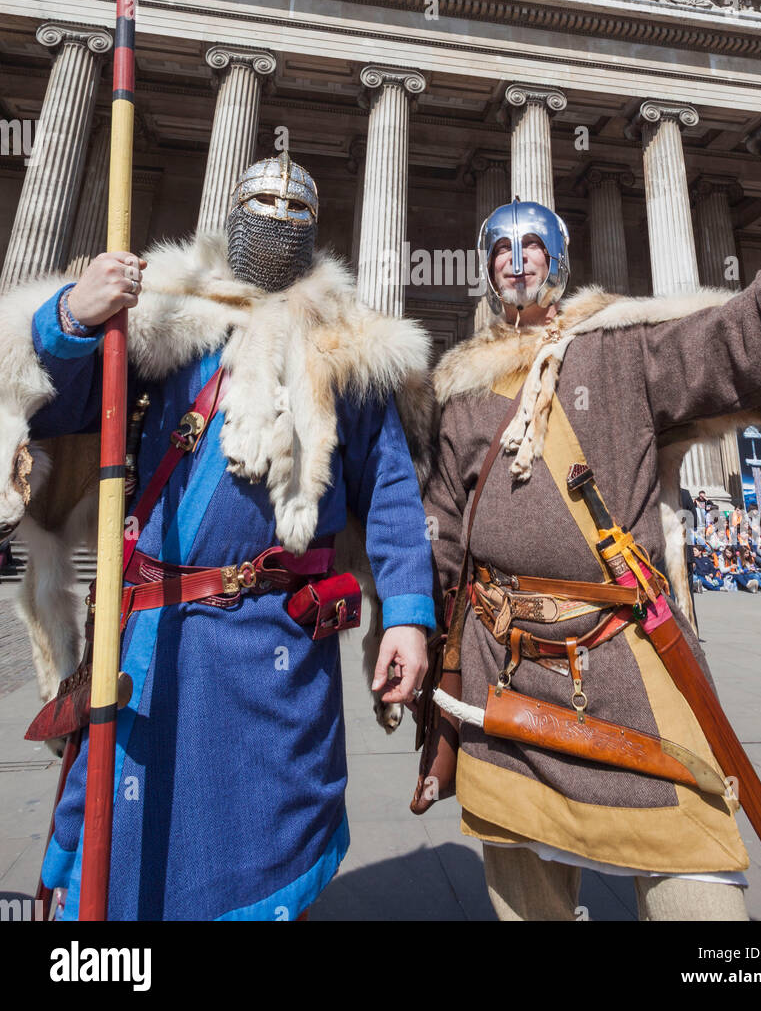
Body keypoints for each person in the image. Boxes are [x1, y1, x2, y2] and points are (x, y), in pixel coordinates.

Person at [420, 152, 761, 922]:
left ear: (557, 261)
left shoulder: (620, 349)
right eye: (500, 247)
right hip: (504, 675)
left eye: (533, 245)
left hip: (622, 662)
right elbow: (443, 541)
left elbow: (733, 339)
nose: (516, 258)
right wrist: (420, 659)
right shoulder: (458, 395)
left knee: (698, 889)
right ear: (487, 272)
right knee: (526, 903)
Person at [0, 152, 435, 921]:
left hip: (278, 646)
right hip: (159, 629)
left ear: (314, 229)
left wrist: (405, 612)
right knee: (128, 827)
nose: (275, 220)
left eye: (293, 210)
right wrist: (76, 314)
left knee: (271, 832)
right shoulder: (167, 319)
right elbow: (61, 409)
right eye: (261, 204)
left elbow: (390, 485)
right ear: (233, 217)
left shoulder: (349, 345)